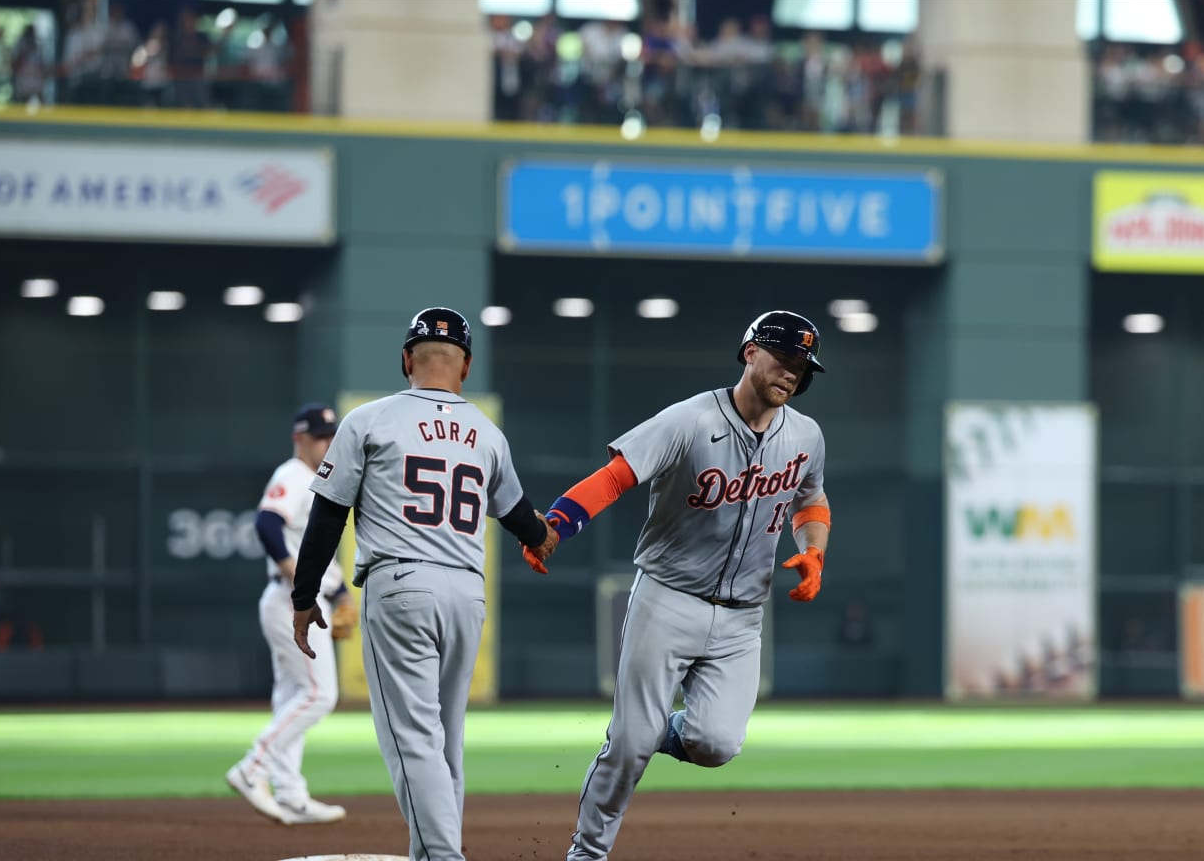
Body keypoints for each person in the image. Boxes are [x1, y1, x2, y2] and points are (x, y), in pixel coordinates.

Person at [532, 310, 832, 861]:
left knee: (716, 745)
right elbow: (617, 476)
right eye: (783, 359)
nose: (792, 373)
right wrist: (559, 522)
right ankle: (587, 854)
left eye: (801, 367)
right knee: (627, 746)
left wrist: (813, 551)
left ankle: (657, 730)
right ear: (749, 353)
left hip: (743, 616)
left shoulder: (806, 434)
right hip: (667, 599)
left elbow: (810, 498)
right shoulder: (690, 420)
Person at [290, 307, 558, 861]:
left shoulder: (368, 420)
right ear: (466, 366)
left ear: (406, 359)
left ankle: (442, 857)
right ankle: (431, 851)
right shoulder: (486, 433)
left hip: (402, 585)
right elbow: (522, 519)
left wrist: (303, 595)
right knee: (444, 740)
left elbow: (327, 515)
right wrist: (544, 535)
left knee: (413, 739)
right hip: (466, 594)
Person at [226, 404, 351, 826]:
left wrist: (339, 593)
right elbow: (266, 525)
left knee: (291, 696)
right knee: (319, 696)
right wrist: (300, 582)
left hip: (302, 598)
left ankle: (291, 794)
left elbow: (310, 547)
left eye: (332, 436)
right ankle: (250, 769)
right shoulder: (293, 475)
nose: (328, 443)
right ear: (299, 438)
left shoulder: (319, 478)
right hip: (292, 602)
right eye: (321, 437)